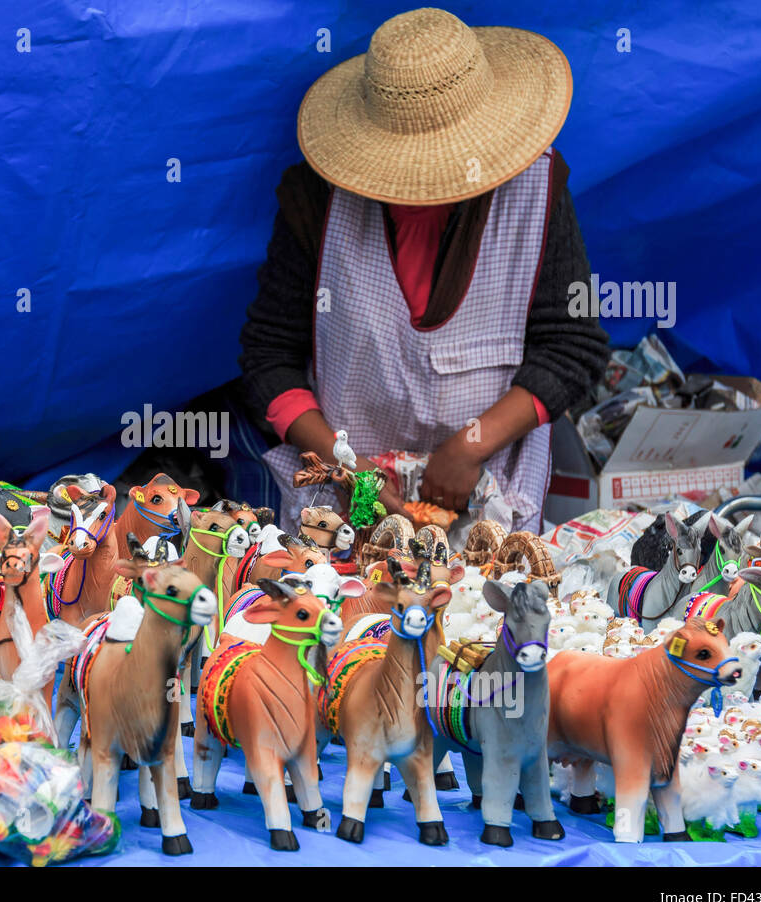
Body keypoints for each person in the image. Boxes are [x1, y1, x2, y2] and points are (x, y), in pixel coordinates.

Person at [235, 8, 609, 533]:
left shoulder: (536, 189)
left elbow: (573, 345)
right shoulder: (318, 200)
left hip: (489, 491)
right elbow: (268, 356)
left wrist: (467, 447)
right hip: (346, 501)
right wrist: (345, 466)